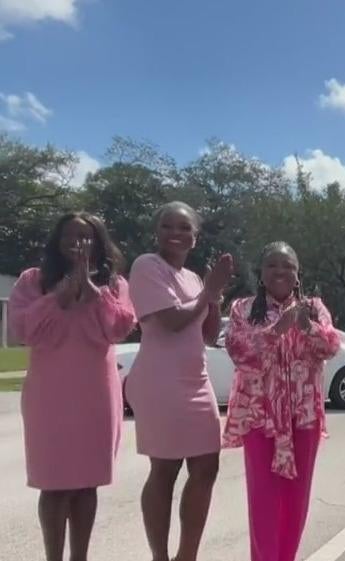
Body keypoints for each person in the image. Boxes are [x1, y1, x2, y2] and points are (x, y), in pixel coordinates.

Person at [9, 212, 136, 561]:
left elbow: (121, 327)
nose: (78, 243)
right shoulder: (32, 281)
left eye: (87, 236)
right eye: (70, 236)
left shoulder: (115, 284)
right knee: (53, 486)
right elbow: (23, 330)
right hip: (49, 397)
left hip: (96, 394)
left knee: (85, 484)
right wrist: (62, 292)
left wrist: (92, 289)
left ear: (99, 242)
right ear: (57, 240)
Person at [125, 201, 234, 561]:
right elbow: (172, 321)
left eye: (185, 227)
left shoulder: (193, 278)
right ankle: (160, 556)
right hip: (160, 382)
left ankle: (186, 556)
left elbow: (206, 333)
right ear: (156, 232)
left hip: (195, 380)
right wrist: (208, 292)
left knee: (207, 467)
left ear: (195, 236)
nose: (177, 233)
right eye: (168, 226)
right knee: (166, 469)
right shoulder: (146, 266)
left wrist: (213, 295)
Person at [222, 241, 340, 561]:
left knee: (296, 499)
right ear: (261, 273)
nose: (281, 271)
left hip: (303, 416)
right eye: (273, 264)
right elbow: (238, 350)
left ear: (297, 273)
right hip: (259, 416)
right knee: (263, 499)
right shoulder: (243, 308)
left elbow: (330, 346)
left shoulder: (313, 307)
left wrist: (306, 325)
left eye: (288, 265)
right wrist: (276, 330)